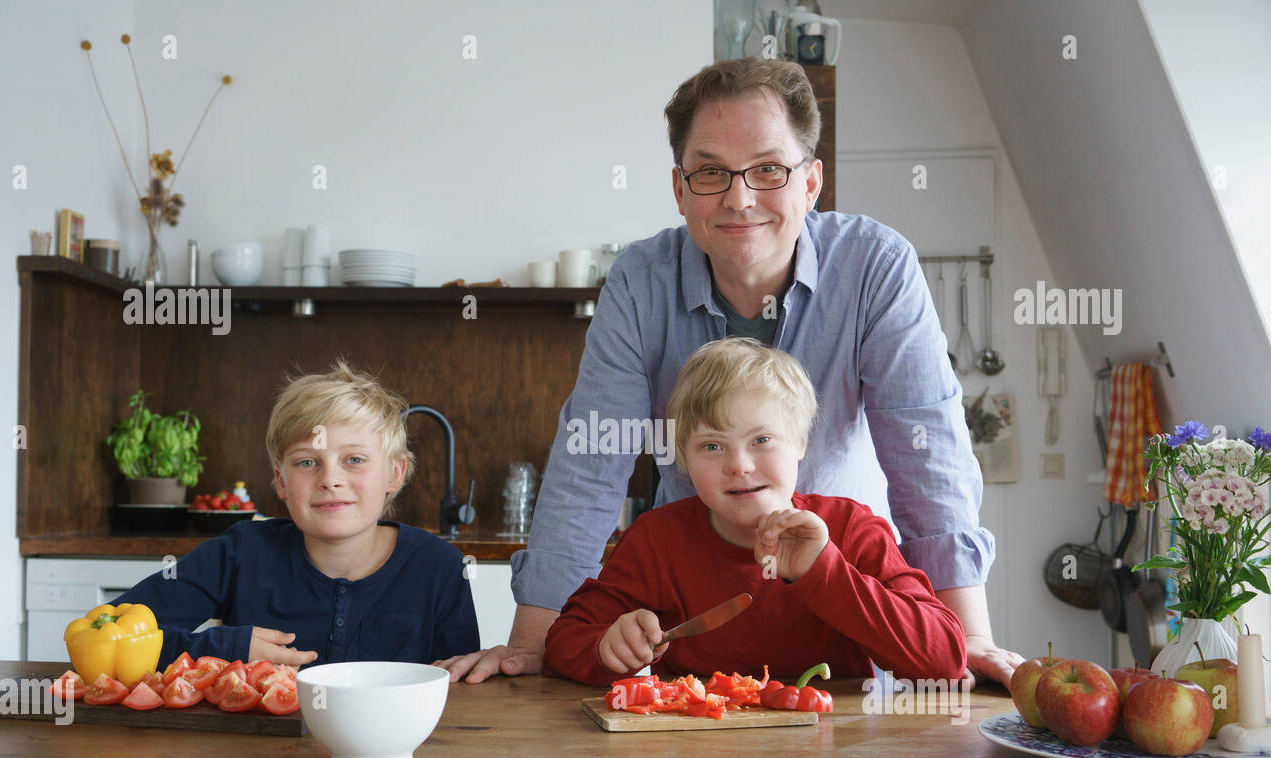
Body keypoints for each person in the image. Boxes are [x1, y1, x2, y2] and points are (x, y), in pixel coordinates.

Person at [438, 57, 1022, 687]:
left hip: (840, 595)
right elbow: (591, 461)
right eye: (712, 172)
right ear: (680, 188)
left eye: (768, 169)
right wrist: (533, 642)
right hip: (690, 612)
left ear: (811, 181)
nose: (740, 199)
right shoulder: (640, 281)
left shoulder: (876, 266)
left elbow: (925, 450)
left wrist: (969, 640)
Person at [543, 338, 966, 686]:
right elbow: (563, 643)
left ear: (800, 443)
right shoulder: (657, 540)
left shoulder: (851, 528)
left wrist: (823, 570)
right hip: (692, 757)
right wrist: (606, 648)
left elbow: (943, 658)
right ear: (684, 461)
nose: (739, 465)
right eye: (712, 446)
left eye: (762, 440)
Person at [113, 359, 479, 670]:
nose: (330, 480)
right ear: (281, 481)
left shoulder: (440, 568)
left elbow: (459, 692)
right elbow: (105, 633)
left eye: (354, 460)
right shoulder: (241, 553)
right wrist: (226, 648)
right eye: (307, 462)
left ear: (395, 474)